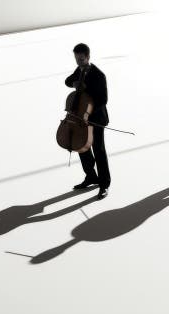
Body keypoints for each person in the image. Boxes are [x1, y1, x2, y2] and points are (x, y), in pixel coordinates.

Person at [65, 43, 110, 199]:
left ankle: (104, 184)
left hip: (96, 118)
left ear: (88, 57)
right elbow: (67, 81)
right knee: (82, 147)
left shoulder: (99, 75)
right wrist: (74, 83)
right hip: (80, 119)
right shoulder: (79, 70)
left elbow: (103, 100)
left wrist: (87, 111)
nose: (79, 62)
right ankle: (91, 177)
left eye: (81, 59)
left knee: (99, 150)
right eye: (76, 59)